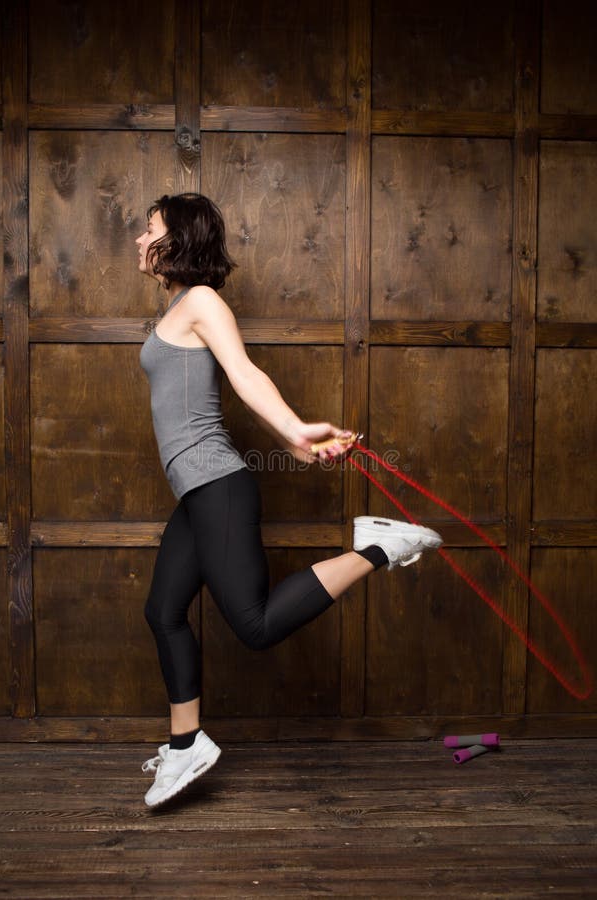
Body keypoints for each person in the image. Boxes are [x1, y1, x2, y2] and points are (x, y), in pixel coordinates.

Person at [136, 193, 443, 808]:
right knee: (163, 611)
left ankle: (381, 547)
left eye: (149, 230)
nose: (139, 241)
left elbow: (246, 374)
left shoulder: (201, 302)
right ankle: (185, 744)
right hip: (198, 493)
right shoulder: (180, 305)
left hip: (216, 486)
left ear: (178, 239)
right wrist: (301, 444)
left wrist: (295, 429)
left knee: (254, 625)